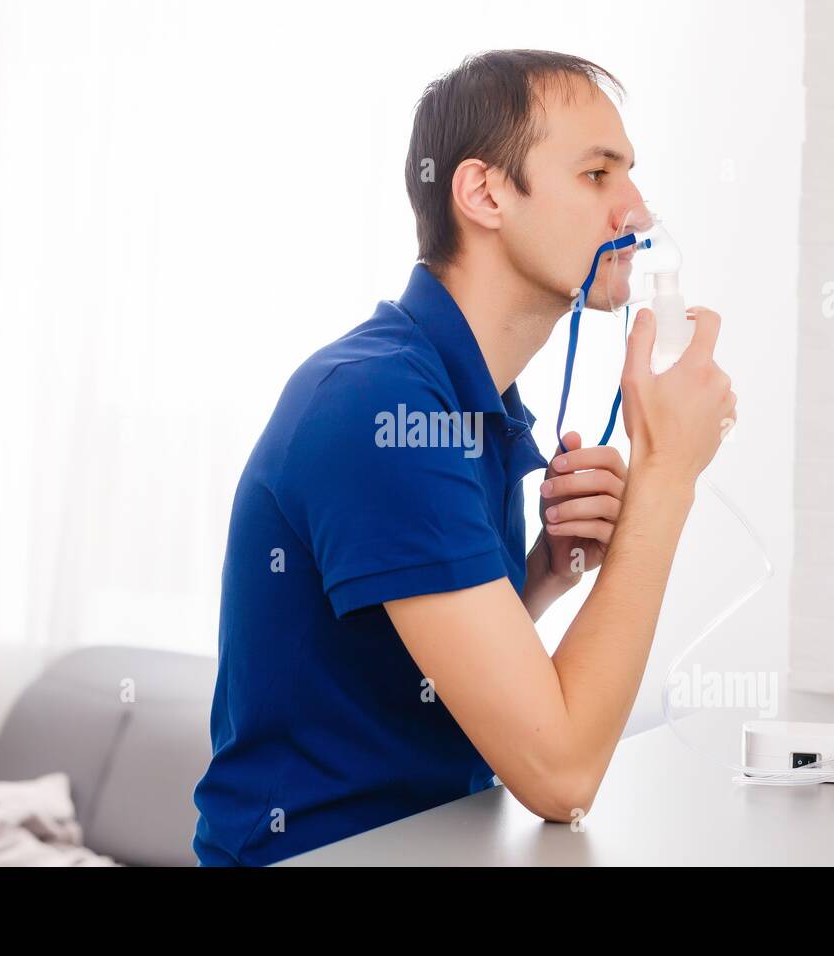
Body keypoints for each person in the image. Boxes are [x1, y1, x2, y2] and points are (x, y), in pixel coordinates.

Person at [192, 49, 735, 866]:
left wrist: (541, 574)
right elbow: (561, 777)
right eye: (597, 175)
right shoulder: (379, 405)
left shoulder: (465, 400)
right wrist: (666, 476)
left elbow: (426, 672)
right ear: (484, 193)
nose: (638, 210)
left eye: (631, 176)